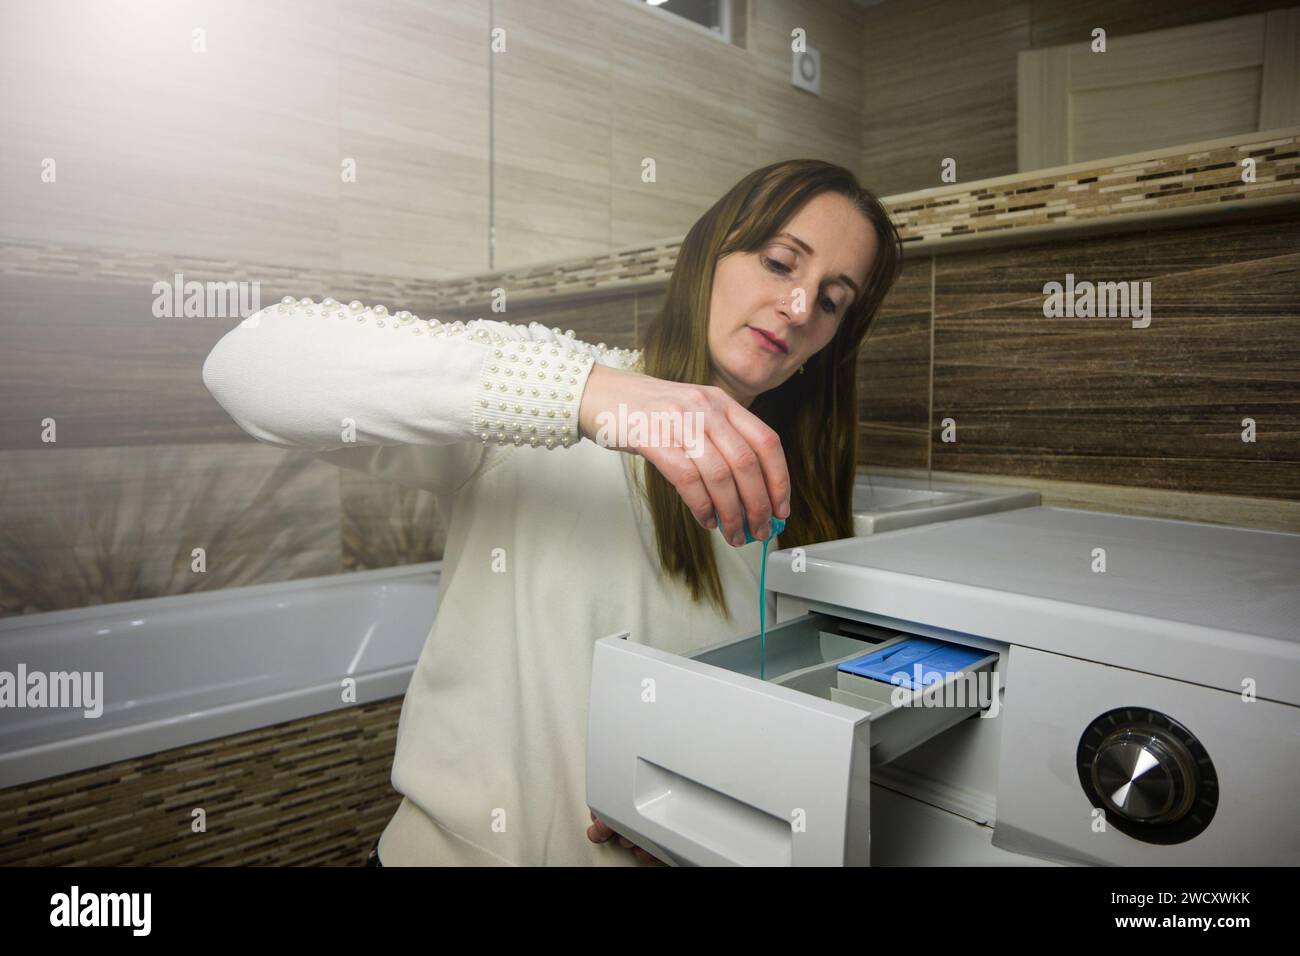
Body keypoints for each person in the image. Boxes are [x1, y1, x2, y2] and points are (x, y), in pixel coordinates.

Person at [202, 158, 903, 866]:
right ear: (707, 256)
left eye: (832, 301)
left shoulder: (793, 508)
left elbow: (780, 723)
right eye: (781, 262)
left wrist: (707, 811)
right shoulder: (545, 390)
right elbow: (247, 365)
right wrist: (593, 395)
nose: (798, 307)